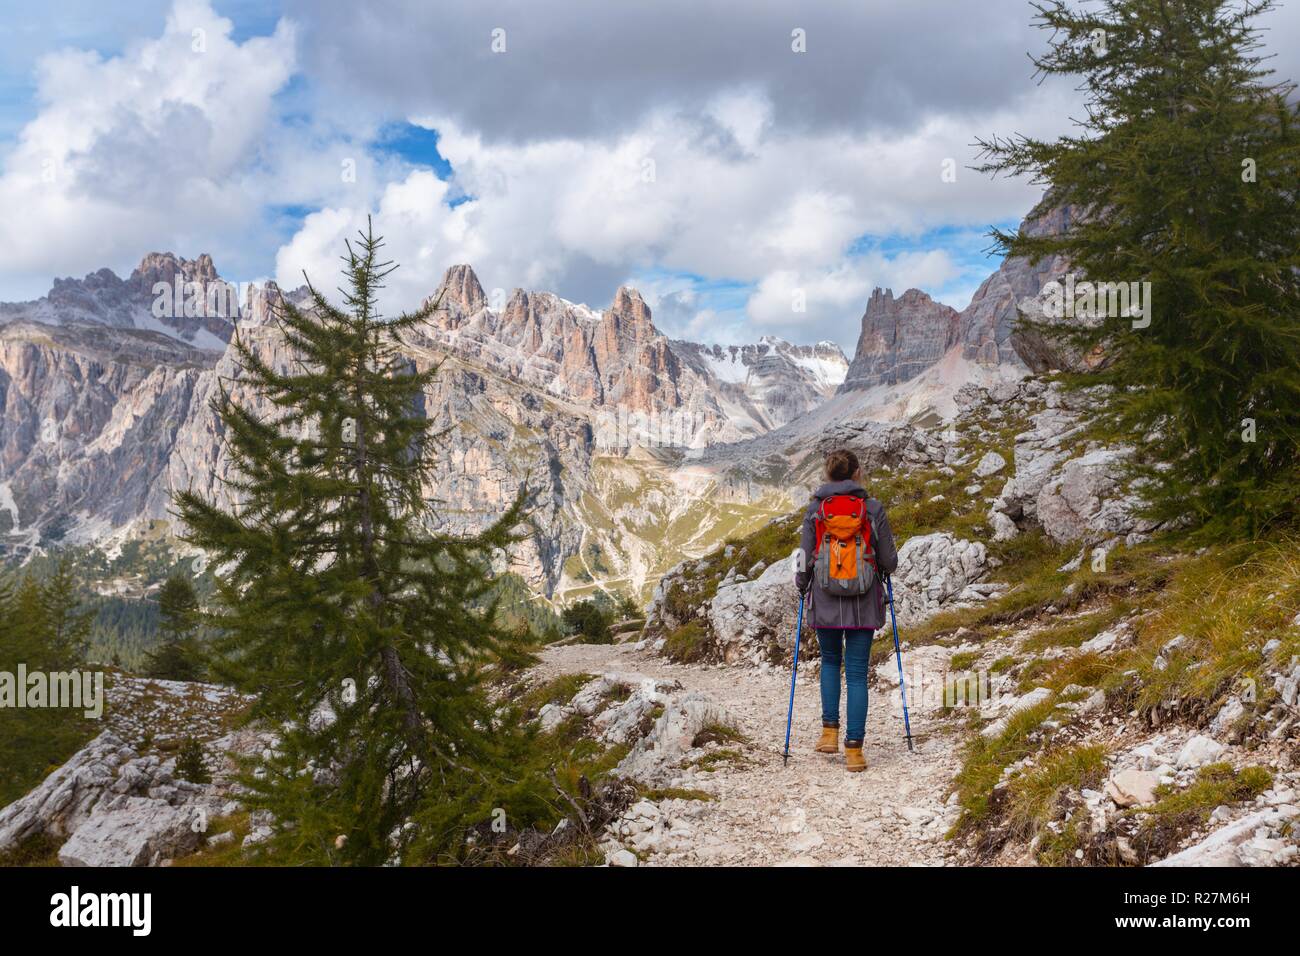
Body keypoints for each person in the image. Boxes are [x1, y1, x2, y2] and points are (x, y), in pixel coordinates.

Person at [793, 448, 898, 772]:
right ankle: (854, 751)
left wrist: (801, 583)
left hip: (824, 598)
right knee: (855, 672)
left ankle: (828, 734)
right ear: (857, 474)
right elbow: (889, 560)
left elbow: (804, 555)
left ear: (828, 475)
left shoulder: (815, 510)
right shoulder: (872, 508)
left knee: (829, 662)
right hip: (863, 601)